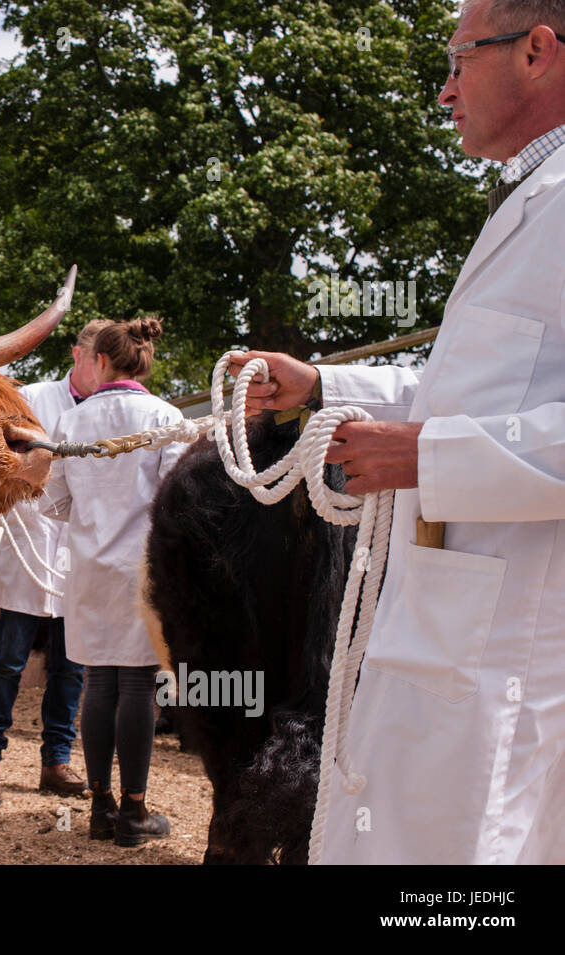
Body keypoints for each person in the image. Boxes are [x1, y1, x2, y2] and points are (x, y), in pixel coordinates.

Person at [235, 0, 565, 863]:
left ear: (536, 52)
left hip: (514, 642)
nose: (444, 91)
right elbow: (470, 385)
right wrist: (323, 386)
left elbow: (465, 421)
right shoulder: (531, 197)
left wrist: (430, 456)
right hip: (455, 624)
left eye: (460, 61)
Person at [42, 318, 188, 843]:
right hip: (141, 572)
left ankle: (100, 807)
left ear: (99, 361)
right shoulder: (168, 418)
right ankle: (134, 811)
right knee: (137, 687)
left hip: (87, 572)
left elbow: (53, 502)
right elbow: (177, 506)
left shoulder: (70, 424)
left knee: (97, 685)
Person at [0, 319, 110, 805]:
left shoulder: (113, 410)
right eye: (96, 359)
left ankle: (56, 762)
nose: (101, 370)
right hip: (29, 548)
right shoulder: (32, 398)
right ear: (78, 355)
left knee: (70, 669)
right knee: (7, 663)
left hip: (81, 556)